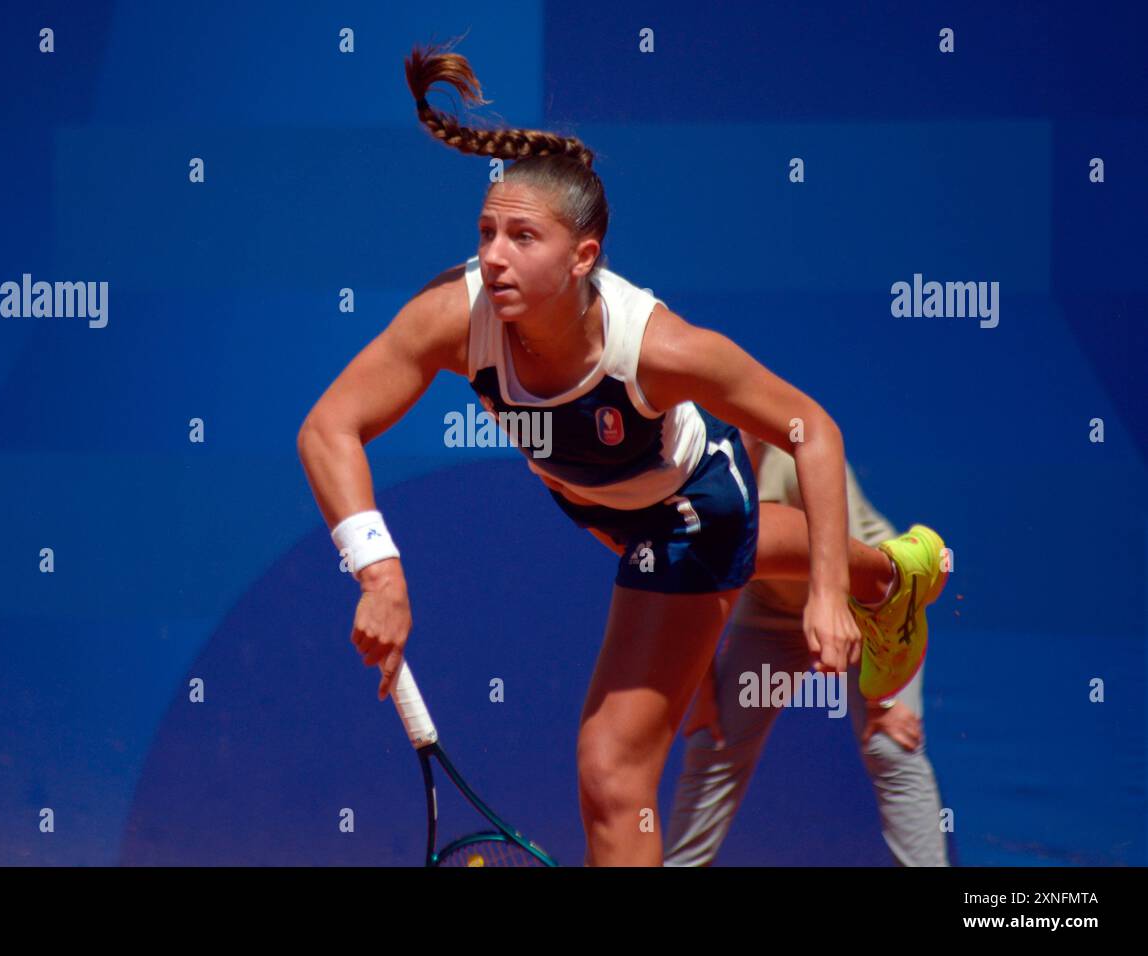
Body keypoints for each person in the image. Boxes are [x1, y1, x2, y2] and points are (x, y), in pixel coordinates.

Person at [296, 39, 948, 866]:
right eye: (487, 231)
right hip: (598, 502)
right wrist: (380, 574)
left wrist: (825, 597)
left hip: (687, 511)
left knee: (612, 772)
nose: (493, 255)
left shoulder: (656, 347)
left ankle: (875, 581)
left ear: (583, 258)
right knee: (733, 554)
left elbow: (810, 427)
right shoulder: (454, 316)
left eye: (522, 237)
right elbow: (328, 427)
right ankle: (891, 577)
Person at [664, 436, 950, 866]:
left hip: (869, 601)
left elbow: (859, 577)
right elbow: (689, 589)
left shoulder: (802, 463)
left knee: (889, 743)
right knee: (714, 738)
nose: (734, 433)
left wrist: (884, 700)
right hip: (772, 609)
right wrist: (705, 692)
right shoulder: (691, 471)